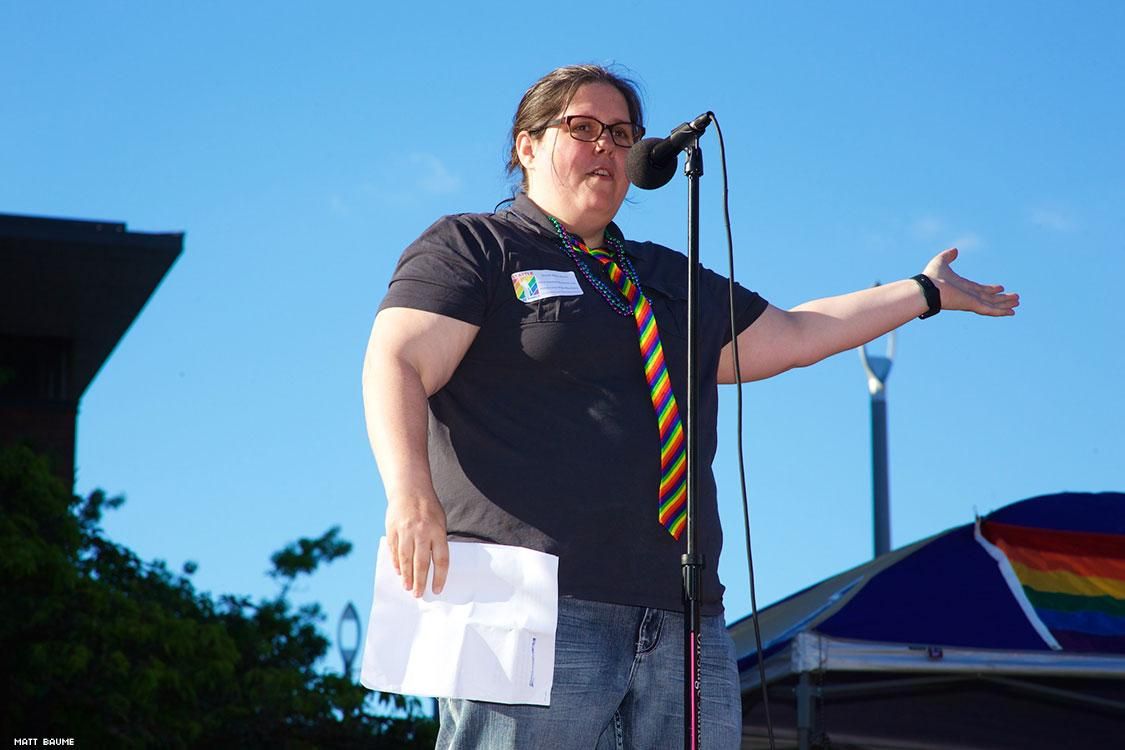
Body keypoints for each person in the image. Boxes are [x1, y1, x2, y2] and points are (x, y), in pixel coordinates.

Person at [362, 64, 1018, 749]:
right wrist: (409, 495)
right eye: (581, 129)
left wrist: (922, 291)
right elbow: (397, 360)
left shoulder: (663, 275)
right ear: (526, 146)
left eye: (621, 134)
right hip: (530, 599)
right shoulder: (475, 247)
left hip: (682, 617)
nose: (606, 148)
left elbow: (794, 334)